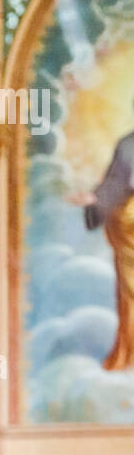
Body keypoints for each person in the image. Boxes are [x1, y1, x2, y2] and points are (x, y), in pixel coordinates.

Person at [72, 119, 134, 370]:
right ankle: (130, 354)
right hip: (130, 230)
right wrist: (95, 199)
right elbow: (115, 185)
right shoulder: (128, 145)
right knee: (130, 294)